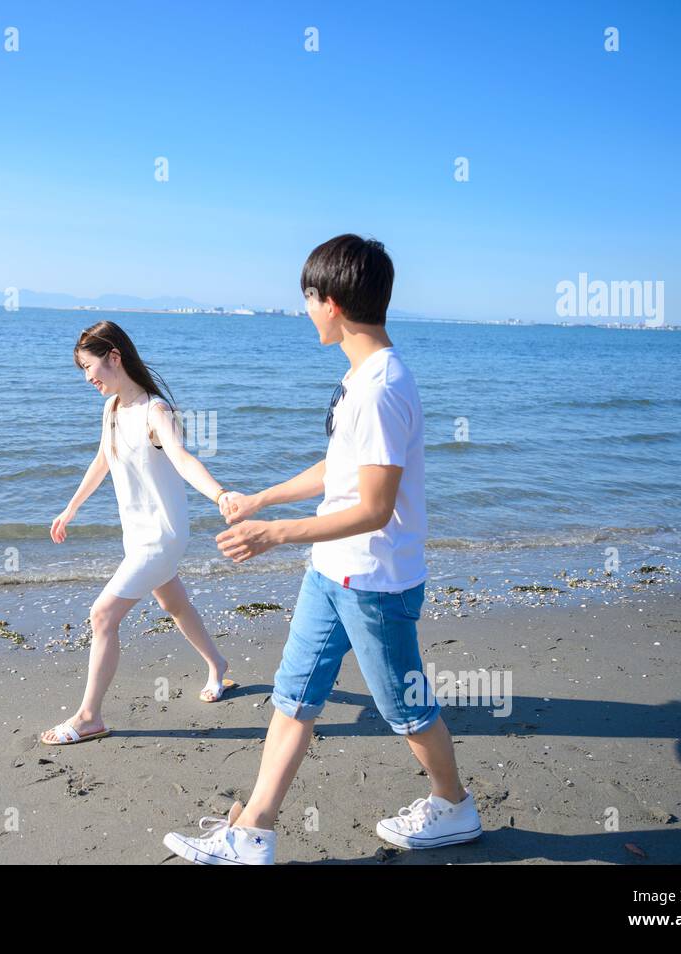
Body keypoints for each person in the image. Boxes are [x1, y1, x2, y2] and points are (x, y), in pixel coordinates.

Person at [163, 235, 480, 863]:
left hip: (373, 583)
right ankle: (252, 832)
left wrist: (274, 534)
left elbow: (374, 506)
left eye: (308, 299)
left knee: (406, 707)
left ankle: (453, 806)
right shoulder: (359, 378)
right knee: (293, 698)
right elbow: (338, 469)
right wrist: (261, 501)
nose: (305, 311)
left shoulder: (383, 388)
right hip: (329, 574)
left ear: (331, 303)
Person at [41, 320, 237, 745]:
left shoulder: (155, 411)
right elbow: (102, 460)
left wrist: (220, 495)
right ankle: (217, 664)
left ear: (115, 357)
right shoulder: (111, 409)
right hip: (137, 534)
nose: (87, 378)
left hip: (162, 536)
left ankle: (89, 716)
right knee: (176, 605)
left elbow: (183, 459)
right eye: (81, 370)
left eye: (89, 366)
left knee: (102, 614)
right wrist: (70, 508)